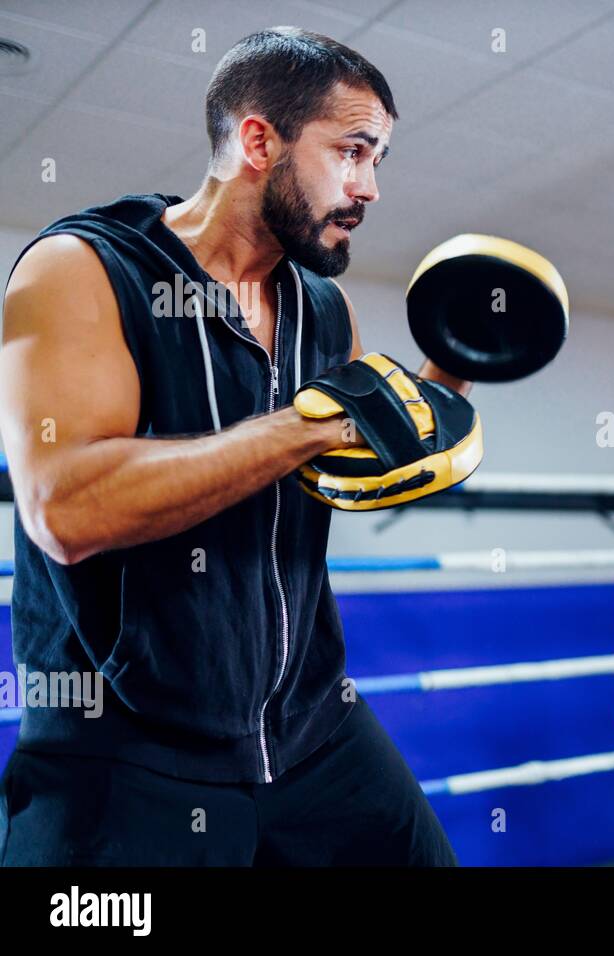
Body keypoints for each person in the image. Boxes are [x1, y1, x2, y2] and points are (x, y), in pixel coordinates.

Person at [0, 28, 461, 865]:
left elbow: (355, 471)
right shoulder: (83, 269)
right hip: (130, 753)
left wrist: (448, 386)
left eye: (379, 159)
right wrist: (302, 425)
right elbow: (64, 505)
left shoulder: (323, 310)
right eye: (352, 151)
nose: (369, 187)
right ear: (258, 141)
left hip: (312, 728)